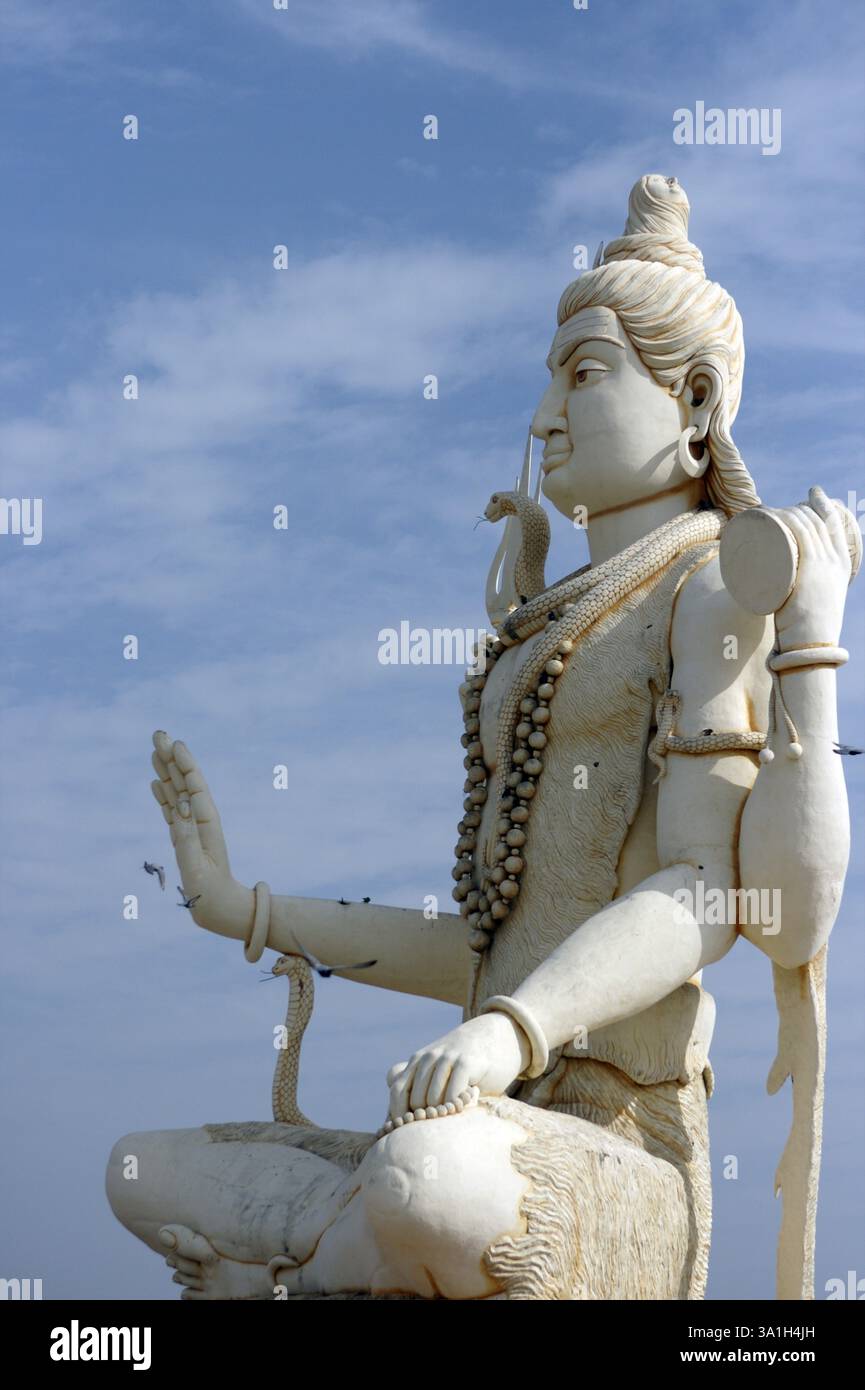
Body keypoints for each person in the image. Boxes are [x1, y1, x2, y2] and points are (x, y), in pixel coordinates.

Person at [107, 176, 854, 1300]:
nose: (544, 415)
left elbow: (725, 900)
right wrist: (242, 906)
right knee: (137, 1171)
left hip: (620, 1147)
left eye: (584, 374)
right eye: (550, 377)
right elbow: (488, 945)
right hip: (494, 1109)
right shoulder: (541, 630)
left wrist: (806, 644)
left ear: (695, 402)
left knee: (421, 1178)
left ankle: (295, 1282)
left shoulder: (709, 589)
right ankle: (341, 1257)